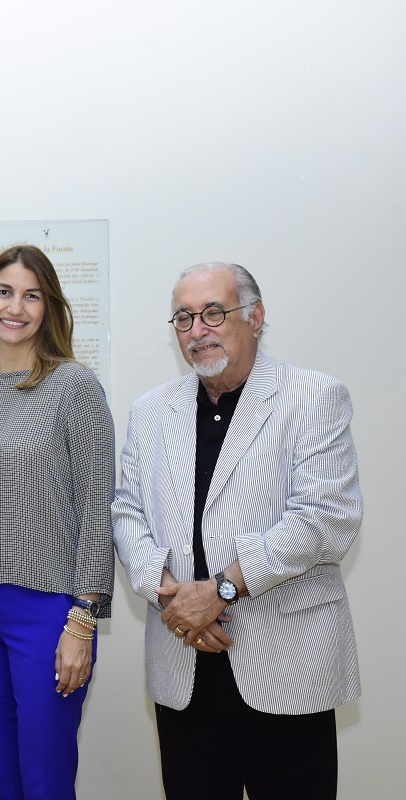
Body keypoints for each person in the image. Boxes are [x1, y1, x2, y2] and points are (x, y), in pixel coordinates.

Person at [112, 262, 362, 800]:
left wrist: (221, 589)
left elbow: (326, 517)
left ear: (256, 317)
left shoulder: (313, 396)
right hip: (184, 664)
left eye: (213, 313)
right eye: (184, 318)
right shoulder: (150, 411)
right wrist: (172, 596)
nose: (197, 330)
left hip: (288, 666)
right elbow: (126, 511)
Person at [0, 245, 115, 799]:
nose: (16, 307)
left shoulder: (74, 387)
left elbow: (96, 508)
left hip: (47, 610)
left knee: (46, 777)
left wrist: (84, 618)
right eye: (4, 292)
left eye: (32, 295)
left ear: (49, 307)